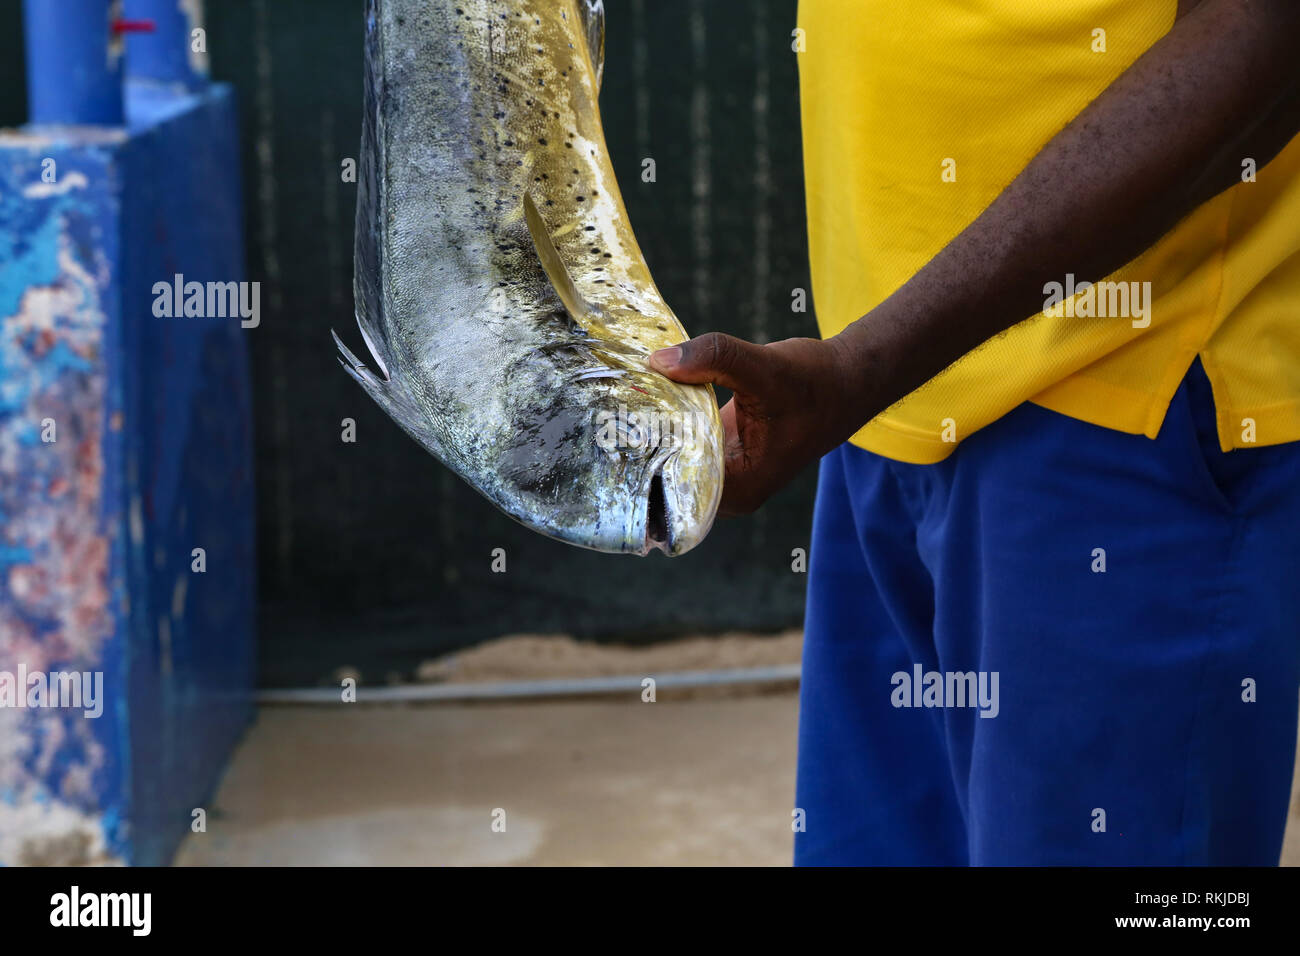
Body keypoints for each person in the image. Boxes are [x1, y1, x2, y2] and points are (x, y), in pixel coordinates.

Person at [649, 0, 1300, 865]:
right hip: (885, 400)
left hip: (1121, 406)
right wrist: (863, 373)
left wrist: (865, 366)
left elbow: (1265, 41)